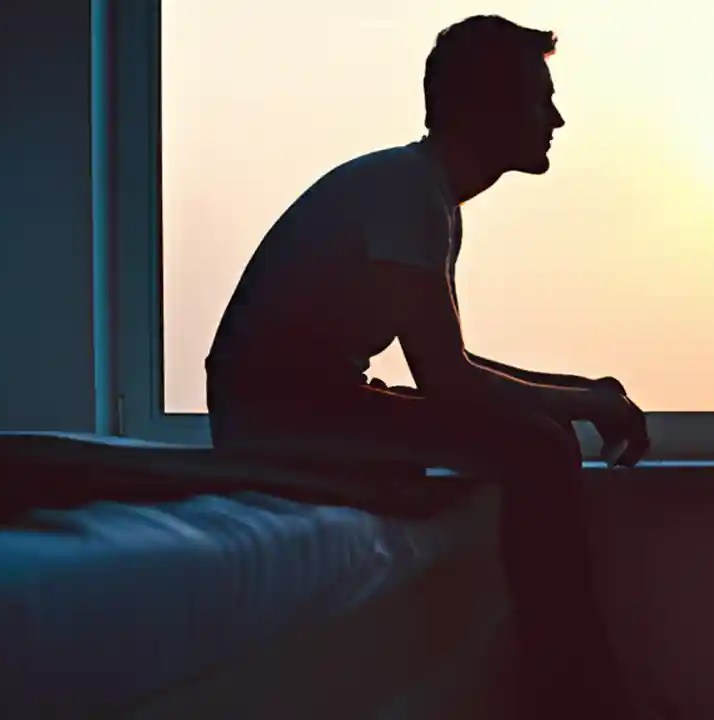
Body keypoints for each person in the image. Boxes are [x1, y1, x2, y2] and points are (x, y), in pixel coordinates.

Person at [204, 15, 652, 719]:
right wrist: (589, 405)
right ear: (488, 108)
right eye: (542, 99)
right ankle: (576, 698)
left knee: (538, 432)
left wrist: (577, 392)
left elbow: (451, 366)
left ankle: (567, 690)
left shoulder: (426, 193)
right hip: (282, 410)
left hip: (314, 397)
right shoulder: (410, 194)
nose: (558, 118)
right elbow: (448, 381)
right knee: (536, 444)